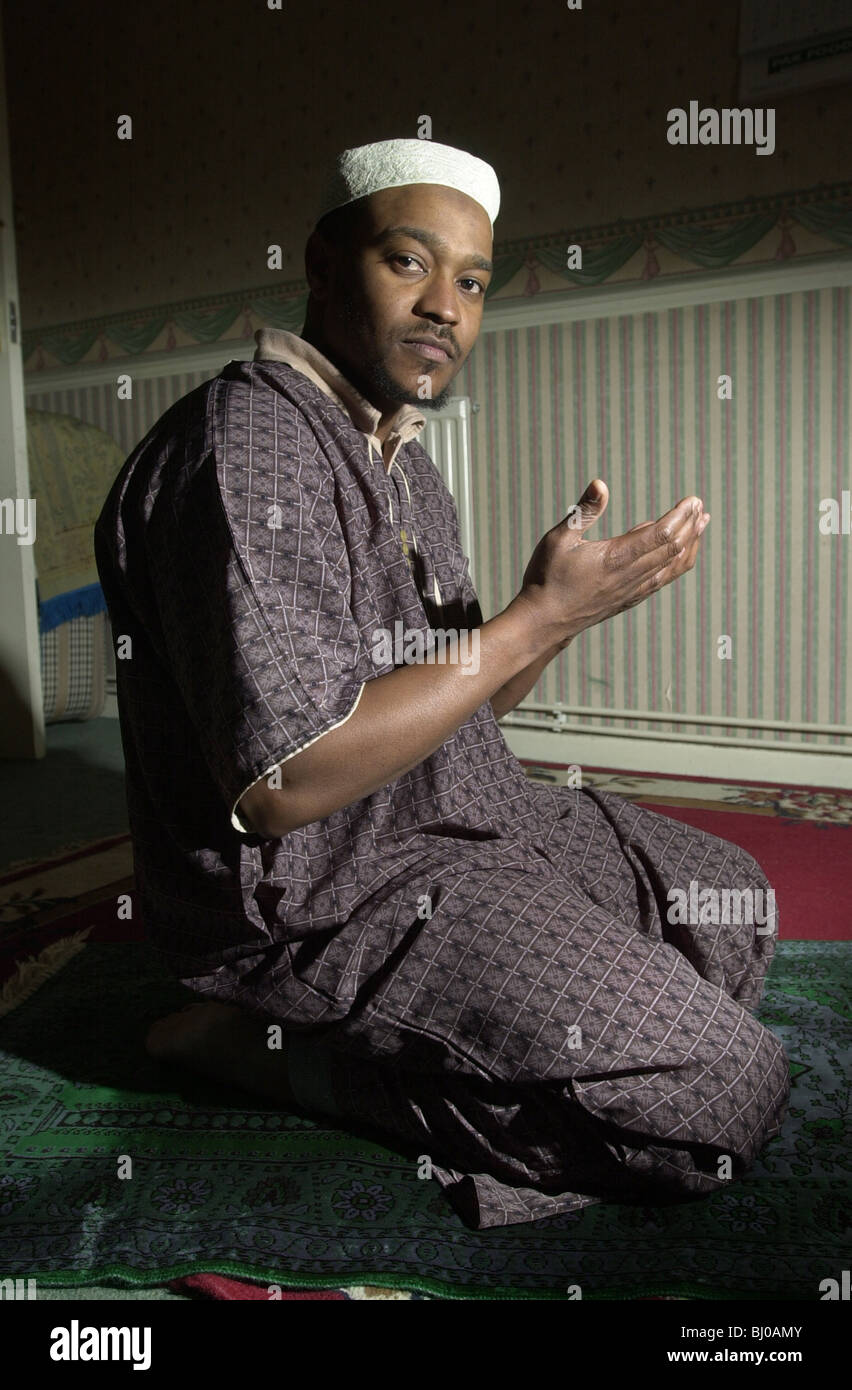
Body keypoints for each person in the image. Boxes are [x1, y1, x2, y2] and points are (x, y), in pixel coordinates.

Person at [94, 137, 790, 1230]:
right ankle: (275, 1050)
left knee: (732, 905)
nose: (444, 308)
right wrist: (534, 618)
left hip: (463, 819)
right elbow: (284, 781)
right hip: (322, 900)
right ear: (324, 266)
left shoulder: (403, 457)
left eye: (471, 282)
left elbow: (464, 708)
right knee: (721, 1088)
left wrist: (554, 613)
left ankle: (494, 1031)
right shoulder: (250, 449)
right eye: (408, 263)